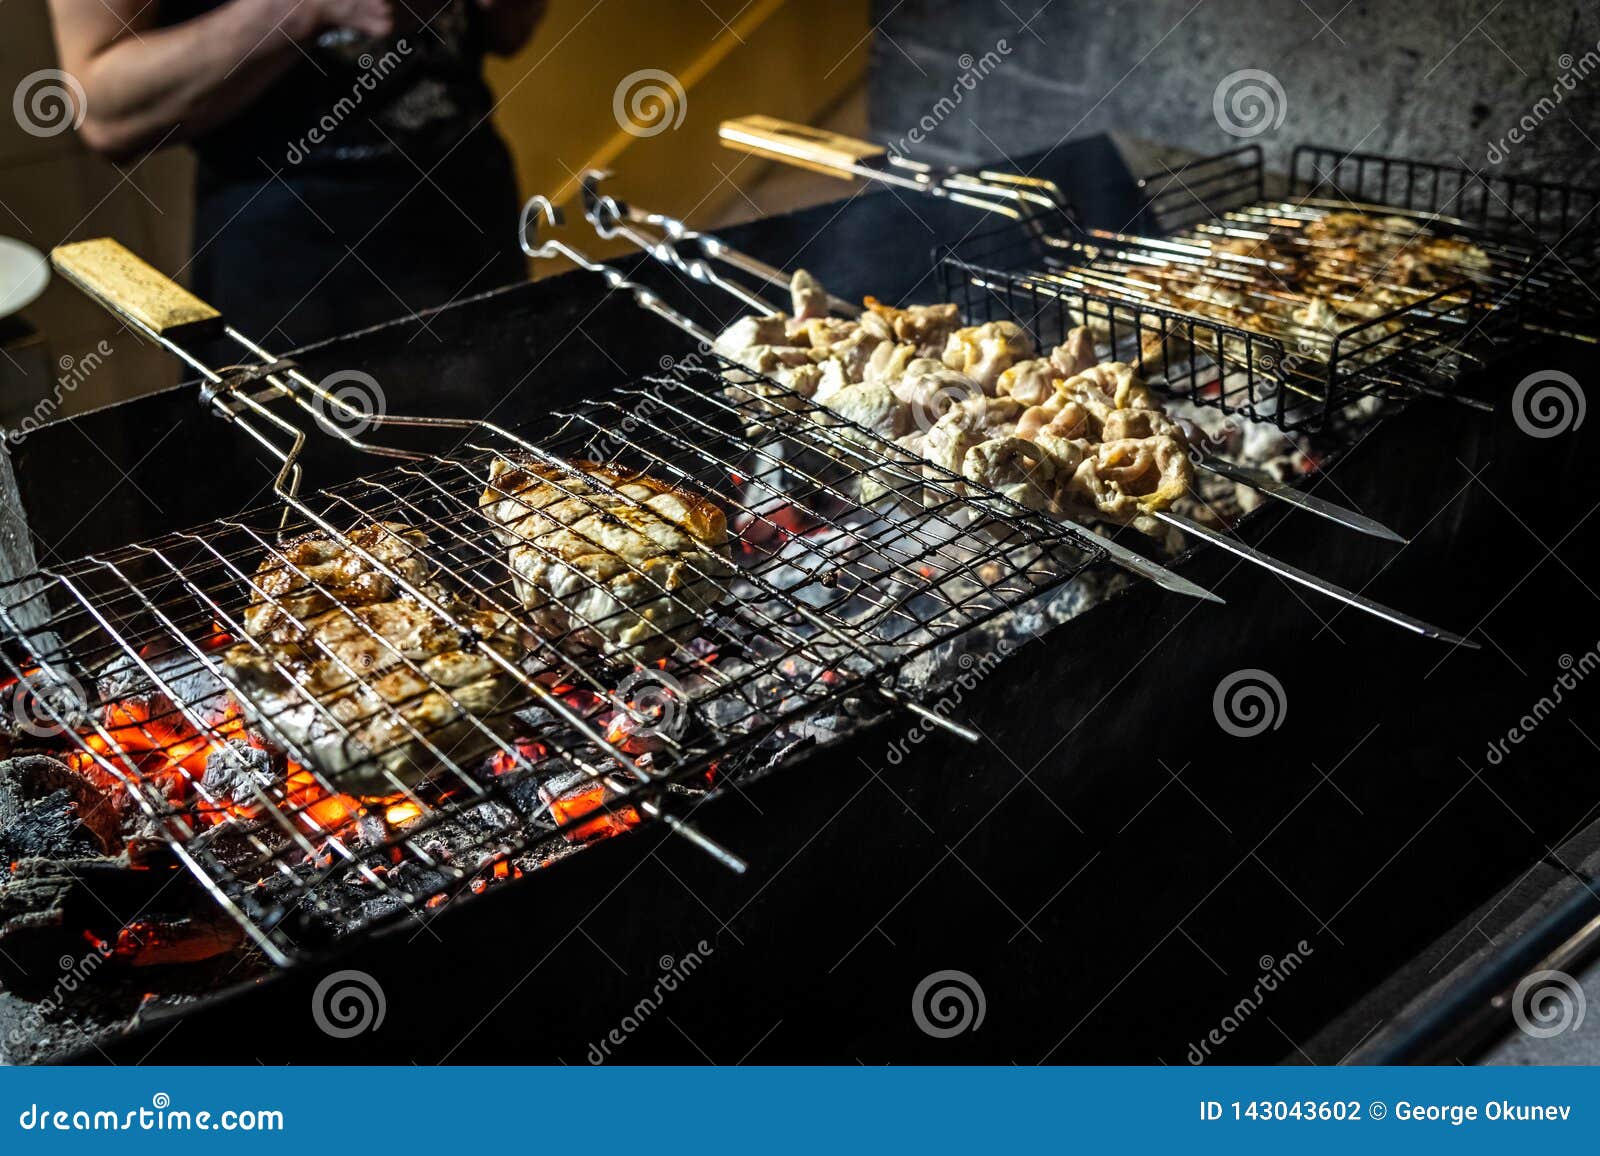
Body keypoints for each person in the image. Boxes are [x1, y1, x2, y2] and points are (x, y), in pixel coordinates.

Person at [47, 0, 546, 346]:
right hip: (291, 259)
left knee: (517, 467)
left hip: (471, 214)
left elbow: (507, 34)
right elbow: (102, 112)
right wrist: (302, 10)